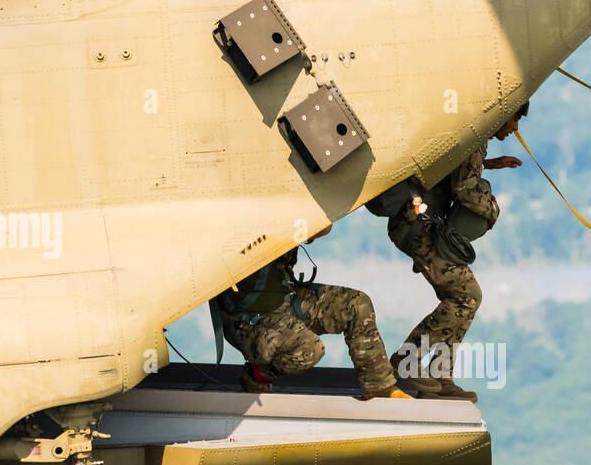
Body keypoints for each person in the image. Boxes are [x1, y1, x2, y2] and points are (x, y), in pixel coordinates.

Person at [378, 103, 529, 402]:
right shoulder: (475, 138)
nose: (515, 129)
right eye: (514, 119)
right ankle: (406, 363)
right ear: (503, 115)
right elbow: (462, 189)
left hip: (419, 223)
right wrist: (491, 210)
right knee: (466, 296)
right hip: (419, 227)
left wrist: (492, 164)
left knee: (463, 298)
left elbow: (454, 167)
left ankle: (440, 374)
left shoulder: (474, 138)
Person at [215, 227, 411, 400]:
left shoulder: (282, 211)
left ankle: (378, 388)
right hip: (249, 320)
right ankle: (257, 375)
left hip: (285, 302)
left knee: (356, 305)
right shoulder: (241, 217)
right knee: (309, 349)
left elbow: (322, 227)